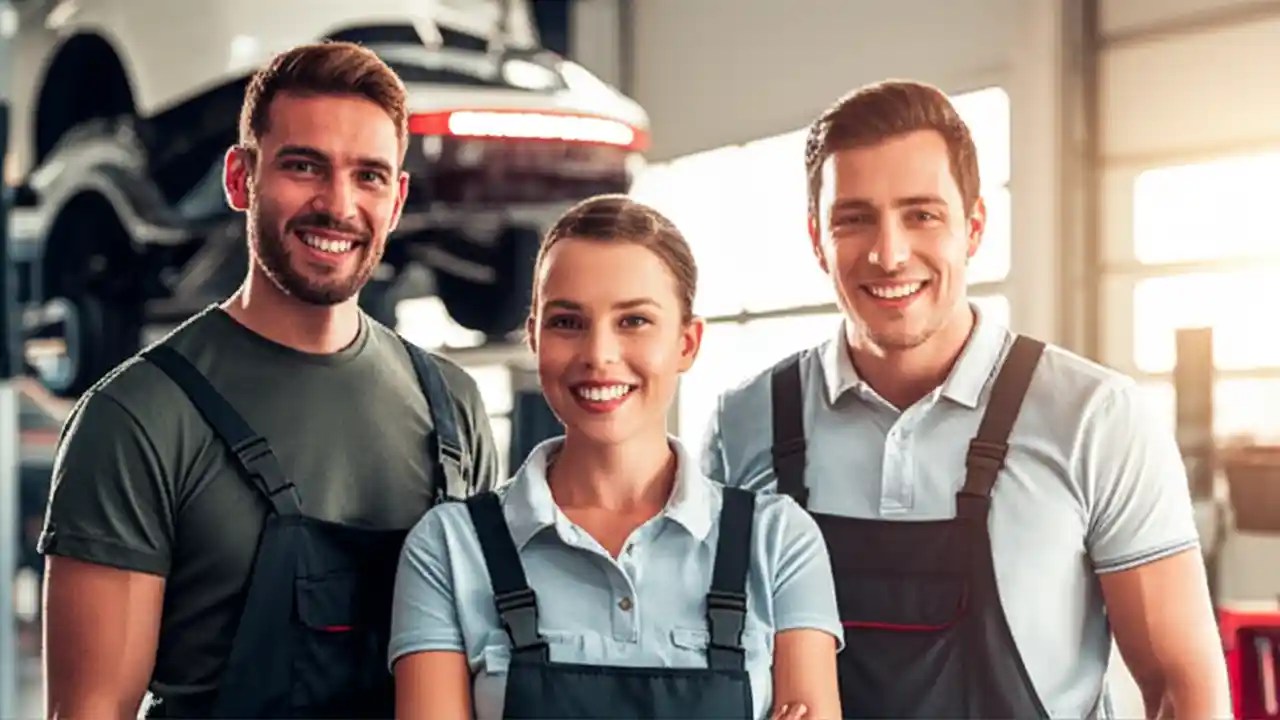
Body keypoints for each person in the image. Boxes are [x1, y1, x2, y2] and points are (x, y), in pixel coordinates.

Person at [701, 80, 1233, 719]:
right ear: (818, 238)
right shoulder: (742, 426)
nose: (888, 253)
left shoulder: (1095, 419)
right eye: (854, 218)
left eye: (921, 214)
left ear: (973, 226)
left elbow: (1183, 689)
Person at [39, 42, 501, 719]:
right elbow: (89, 711)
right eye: (304, 165)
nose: (338, 204)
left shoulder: (453, 410)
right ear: (240, 178)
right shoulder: (138, 416)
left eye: (369, 175)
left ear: (397, 199)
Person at [388, 194, 844, 720]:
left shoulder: (777, 542)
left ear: (687, 343)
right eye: (567, 322)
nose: (599, 355)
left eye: (633, 322)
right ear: (533, 335)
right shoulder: (450, 547)